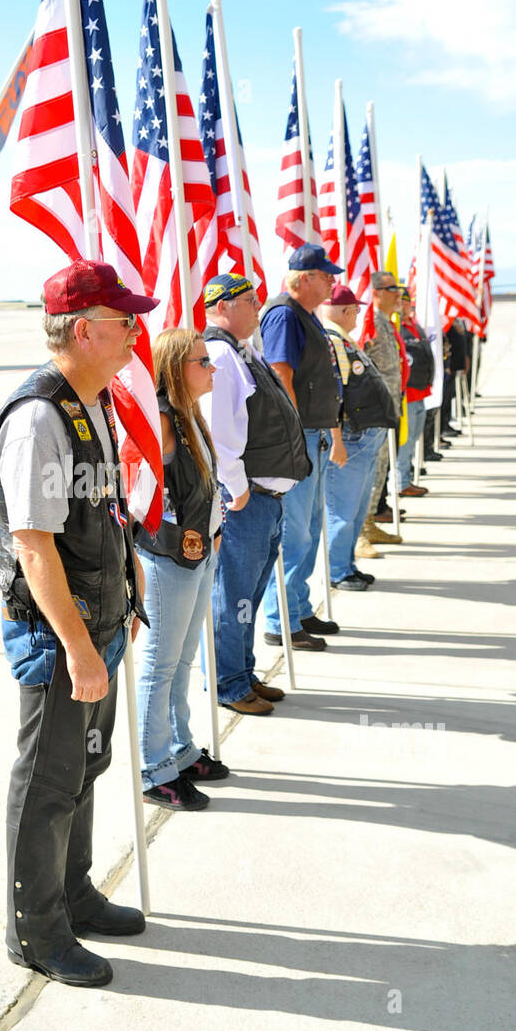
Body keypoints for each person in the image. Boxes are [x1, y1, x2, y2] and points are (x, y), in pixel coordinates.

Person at [0, 260, 153, 989]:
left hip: (99, 623)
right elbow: (33, 544)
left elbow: (100, 512)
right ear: (84, 330)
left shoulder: (95, 402)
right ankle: (35, 930)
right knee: (47, 780)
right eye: (124, 323)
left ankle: (74, 893)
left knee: (85, 766)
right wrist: (78, 647)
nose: (135, 334)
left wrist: (129, 581)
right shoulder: (37, 419)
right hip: (61, 637)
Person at [201, 273, 309, 709]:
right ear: (223, 306)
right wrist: (237, 489)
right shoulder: (221, 355)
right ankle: (229, 683)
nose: (258, 305)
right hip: (246, 501)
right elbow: (218, 430)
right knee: (235, 597)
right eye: (249, 300)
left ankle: (242, 672)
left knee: (249, 595)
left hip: (265, 500)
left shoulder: (242, 350)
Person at [133, 329, 227, 811]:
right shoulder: (164, 420)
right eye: (202, 361)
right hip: (169, 558)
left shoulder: (189, 415)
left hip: (197, 555)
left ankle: (178, 749)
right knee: (159, 664)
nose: (212, 368)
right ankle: (153, 770)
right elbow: (133, 492)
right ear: (176, 368)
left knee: (183, 660)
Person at [259, 244, 345, 650]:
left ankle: (299, 607)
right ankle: (281, 621)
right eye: (326, 275)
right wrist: (294, 438)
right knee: (295, 535)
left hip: (315, 435)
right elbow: (281, 375)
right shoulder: (283, 315)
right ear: (304, 277)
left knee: (311, 528)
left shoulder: (306, 314)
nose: (333, 281)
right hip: (300, 438)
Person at [322, 284, 399, 589]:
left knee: (354, 507)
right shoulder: (332, 341)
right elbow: (333, 395)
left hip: (361, 437)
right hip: (350, 439)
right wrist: (337, 441)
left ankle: (347, 566)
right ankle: (338, 571)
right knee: (343, 509)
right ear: (346, 311)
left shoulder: (342, 339)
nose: (358, 315)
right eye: (355, 309)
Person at [359, 272, 408, 550]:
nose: (398, 294)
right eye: (392, 288)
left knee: (380, 470)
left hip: (388, 409)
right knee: (369, 471)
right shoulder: (370, 323)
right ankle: (359, 534)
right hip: (373, 414)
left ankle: (369, 523)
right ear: (376, 291)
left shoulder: (385, 323)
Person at [397, 290, 434, 497]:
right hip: (407, 395)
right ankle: (401, 483)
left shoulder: (414, 326)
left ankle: (406, 478)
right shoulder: (397, 328)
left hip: (420, 393)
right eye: (400, 301)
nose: (403, 305)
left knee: (413, 440)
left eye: (406, 301)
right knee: (406, 440)